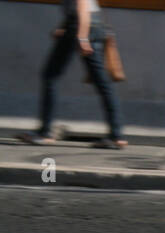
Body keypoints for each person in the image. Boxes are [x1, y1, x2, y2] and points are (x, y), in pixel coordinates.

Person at [18, 0, 125, 149]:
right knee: (102, 83)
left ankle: (45, 132)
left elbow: (82, 6)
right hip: (92, 25)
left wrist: (82, 37)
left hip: (80, 26)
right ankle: (116, 135)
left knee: (50, 75)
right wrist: (63, 27)